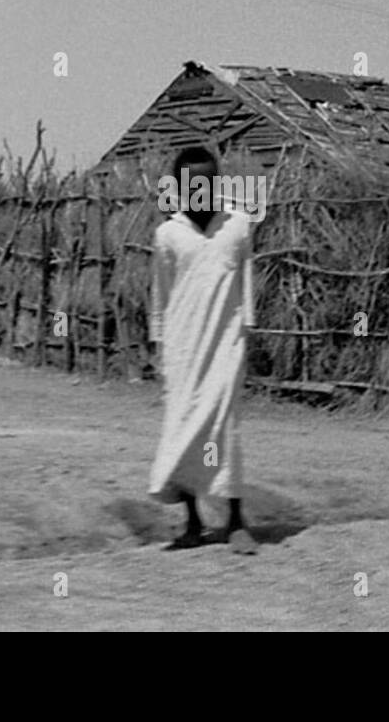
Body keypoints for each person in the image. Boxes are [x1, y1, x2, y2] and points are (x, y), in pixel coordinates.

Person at [147, 145, 258, 553]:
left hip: (227, 347)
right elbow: (160, 296)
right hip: (183, 349)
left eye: (209, 181)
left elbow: (245, 287)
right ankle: (192, 521)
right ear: (178, 187)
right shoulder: (168, 235)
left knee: (224, 430)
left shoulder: (239, 225)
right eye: (193, 183)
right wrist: (158, 344)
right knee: (185, 428)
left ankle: (235, 520)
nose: (202, 189)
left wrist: (248, 332)